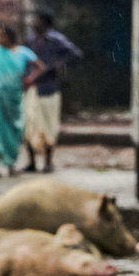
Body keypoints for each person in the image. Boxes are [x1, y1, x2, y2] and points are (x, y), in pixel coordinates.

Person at [22, 10, 81, 174]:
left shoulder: (57, 40)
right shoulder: (30, 41)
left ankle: (48, 162)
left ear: (44, 22)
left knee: (49, 125)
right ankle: (32, 162)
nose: (33, 24)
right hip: (32, 89)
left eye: (36, 20)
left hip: (49, 88)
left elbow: (75, 54)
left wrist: (58, 64)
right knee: (30, 125)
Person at [0, 23, 35, 178]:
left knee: (13, 133)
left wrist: (29, 79)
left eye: (1, 35)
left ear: (10, 36)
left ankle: (10, 164)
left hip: (14, 98)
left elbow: (39, 66)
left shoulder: (22, 52)